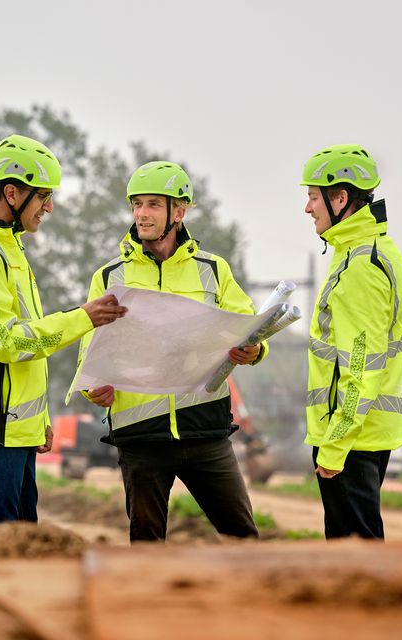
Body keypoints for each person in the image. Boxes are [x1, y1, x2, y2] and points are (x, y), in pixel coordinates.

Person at [0, 133, 126, 531]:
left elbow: (26, 348)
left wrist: (35, 420)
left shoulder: (8, 248)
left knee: (22, 546)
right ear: (11, 193)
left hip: (13, 431)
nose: (49, 207)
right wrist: (83, 317)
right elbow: (7, 342)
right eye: (43, 197)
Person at [75, 160, 266, 543]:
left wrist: (256, 349)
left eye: (152, 205)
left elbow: (249, 325)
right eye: (136, 205)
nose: (141, 215)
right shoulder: (110, 276)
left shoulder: (214, 270)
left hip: (206, 430)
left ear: (178, 211)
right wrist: (91, 389)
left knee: (243, 538)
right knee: (146, 544)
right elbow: (88, 348)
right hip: (139, 437)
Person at [300, 143, 402, 539]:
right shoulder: (379, 250)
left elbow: (362, 365)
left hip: (350, 437)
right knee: (355, 547)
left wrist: (336, 442)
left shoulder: (358, 266)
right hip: (368, 432)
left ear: (340, 198)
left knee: (356, 548)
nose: (307, 208)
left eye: (313, 197)